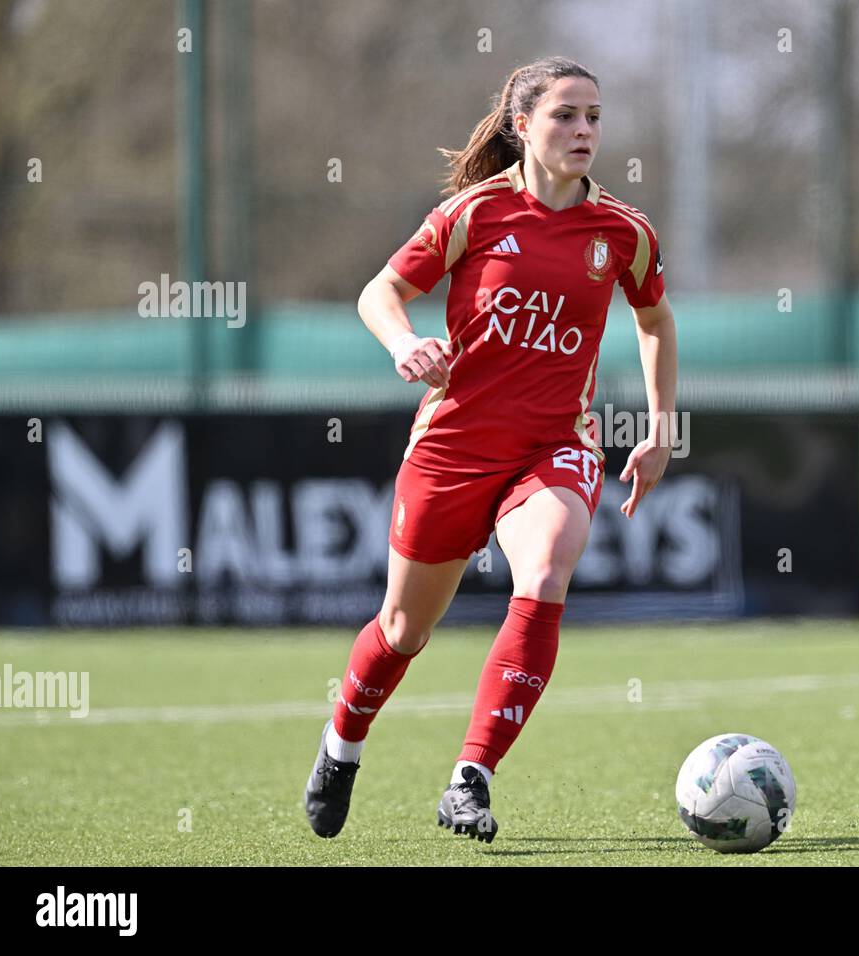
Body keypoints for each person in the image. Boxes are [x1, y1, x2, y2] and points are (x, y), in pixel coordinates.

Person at [304, 57, 677, 843]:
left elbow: (655, 321)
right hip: (454, 447)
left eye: (595, 117)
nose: (584, 131)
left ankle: (469, 779)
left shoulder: (623, 231)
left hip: (555, 443)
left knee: (545, 569)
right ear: (522, 126)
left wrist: (660, 423)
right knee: (404, 630)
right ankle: (341, 746)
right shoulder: (475, 214)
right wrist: (404, 344)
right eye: (566, 116)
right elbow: (381, 292)